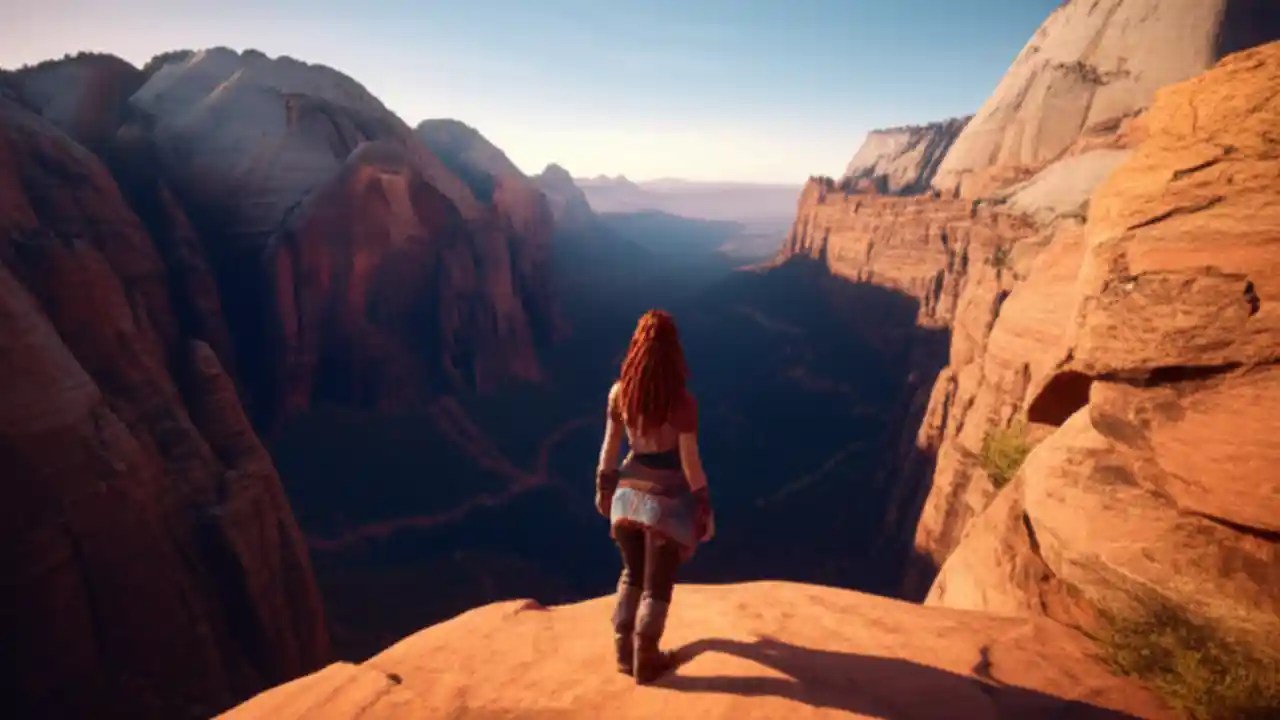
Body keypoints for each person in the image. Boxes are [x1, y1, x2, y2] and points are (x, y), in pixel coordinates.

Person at [595, 309, 714, 684]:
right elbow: (690, 463)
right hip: (666, 502)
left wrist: (604, 489)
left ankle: (621, 650)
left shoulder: (620, 393)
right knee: (657, 583)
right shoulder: (682, 403)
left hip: (625, 498)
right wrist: (703, 505)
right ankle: (646, 658)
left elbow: (610, 448)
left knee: (631, 573)